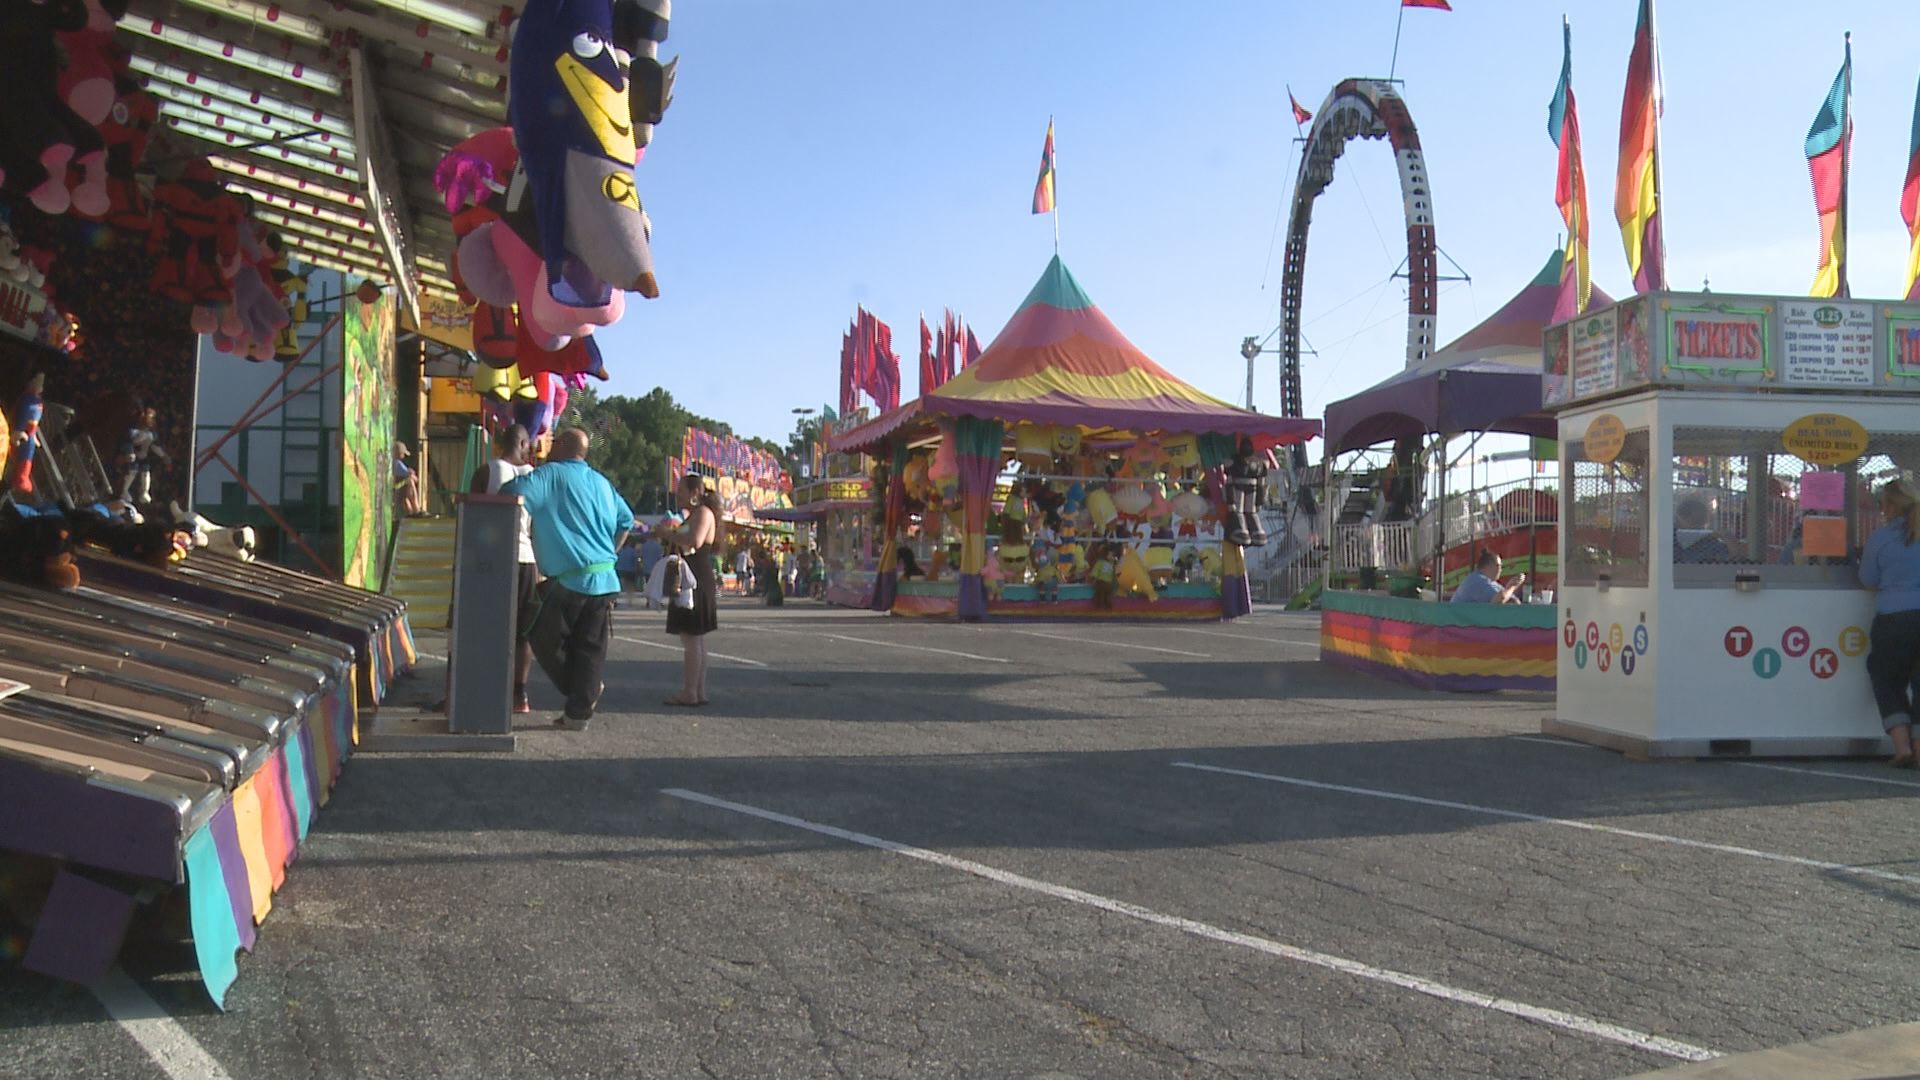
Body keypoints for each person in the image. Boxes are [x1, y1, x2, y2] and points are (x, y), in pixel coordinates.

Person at [502, 428, 630, 731]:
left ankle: (582, 691)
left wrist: (521, 467)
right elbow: (626, 520)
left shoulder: (550, 475)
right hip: (604, 580)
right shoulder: (602, 482)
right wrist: (610, 552)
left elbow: (509, 493)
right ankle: (579, 709)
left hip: (568, 580)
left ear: (560, 446)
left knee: (539, 634)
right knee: (589, 648)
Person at [1857, 478, 1920, 768]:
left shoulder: (1881, 538)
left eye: (1882, 503)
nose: (1881, 509)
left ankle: (1902, 746)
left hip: (1893, 619)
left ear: (1892, 506)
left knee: (1885, 676)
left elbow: (1868, 580)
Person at [485, 424, 538, 714]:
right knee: (523, 632)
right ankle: (521, 694)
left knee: (488, 626)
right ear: (522, 442)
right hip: (527, 558)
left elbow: (472, 517)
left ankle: (486, 688)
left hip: (494, 558)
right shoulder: (535, 476)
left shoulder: (488, 471)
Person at [657, 473, 720, 706]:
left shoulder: (703, 513)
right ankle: (697, 691)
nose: (677, 494)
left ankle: (691, 692)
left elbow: (695, 541)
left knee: (692, 638)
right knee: (694, 638)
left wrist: (668, 534)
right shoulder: (693, 514)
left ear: (694, 493)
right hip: (690, 577)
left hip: (696, 580)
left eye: (681, 490)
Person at [1673, 494, 1733, 564]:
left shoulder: (1710, 542)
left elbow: (1733, 560)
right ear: (1681, 518)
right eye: (1695, 521)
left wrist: (1727, 537)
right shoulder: (1671, 538)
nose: (1700, 527)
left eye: (1702, 522)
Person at [1451, 550, 1524, 604]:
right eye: (1498, 566)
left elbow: (1511, 599)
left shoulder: (1492, 583)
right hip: (1463, 623)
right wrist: (1512, 586)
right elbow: (1498, 601)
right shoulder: (1477, 580)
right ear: (1488, 566)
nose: (1501, 570)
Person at [393, 441, 426, 516]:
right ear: (400, 453)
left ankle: (411, 510)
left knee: (407, 485)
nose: (404, 456)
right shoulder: (397, 463)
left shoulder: (394, 463)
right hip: (396, 489)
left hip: (398, 488)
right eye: (403, 454)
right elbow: (412, 476)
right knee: (410, 481)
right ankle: (416, 508)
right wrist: (412, 474)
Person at [639, 528, 664, 608]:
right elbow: (660, 557)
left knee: (648, 584)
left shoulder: (644, 546)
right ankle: (657, 601)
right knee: (657, 585)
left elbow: (641, 557)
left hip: (646, 568)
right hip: (656, 568)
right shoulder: (658, 546)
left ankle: (648, 601)